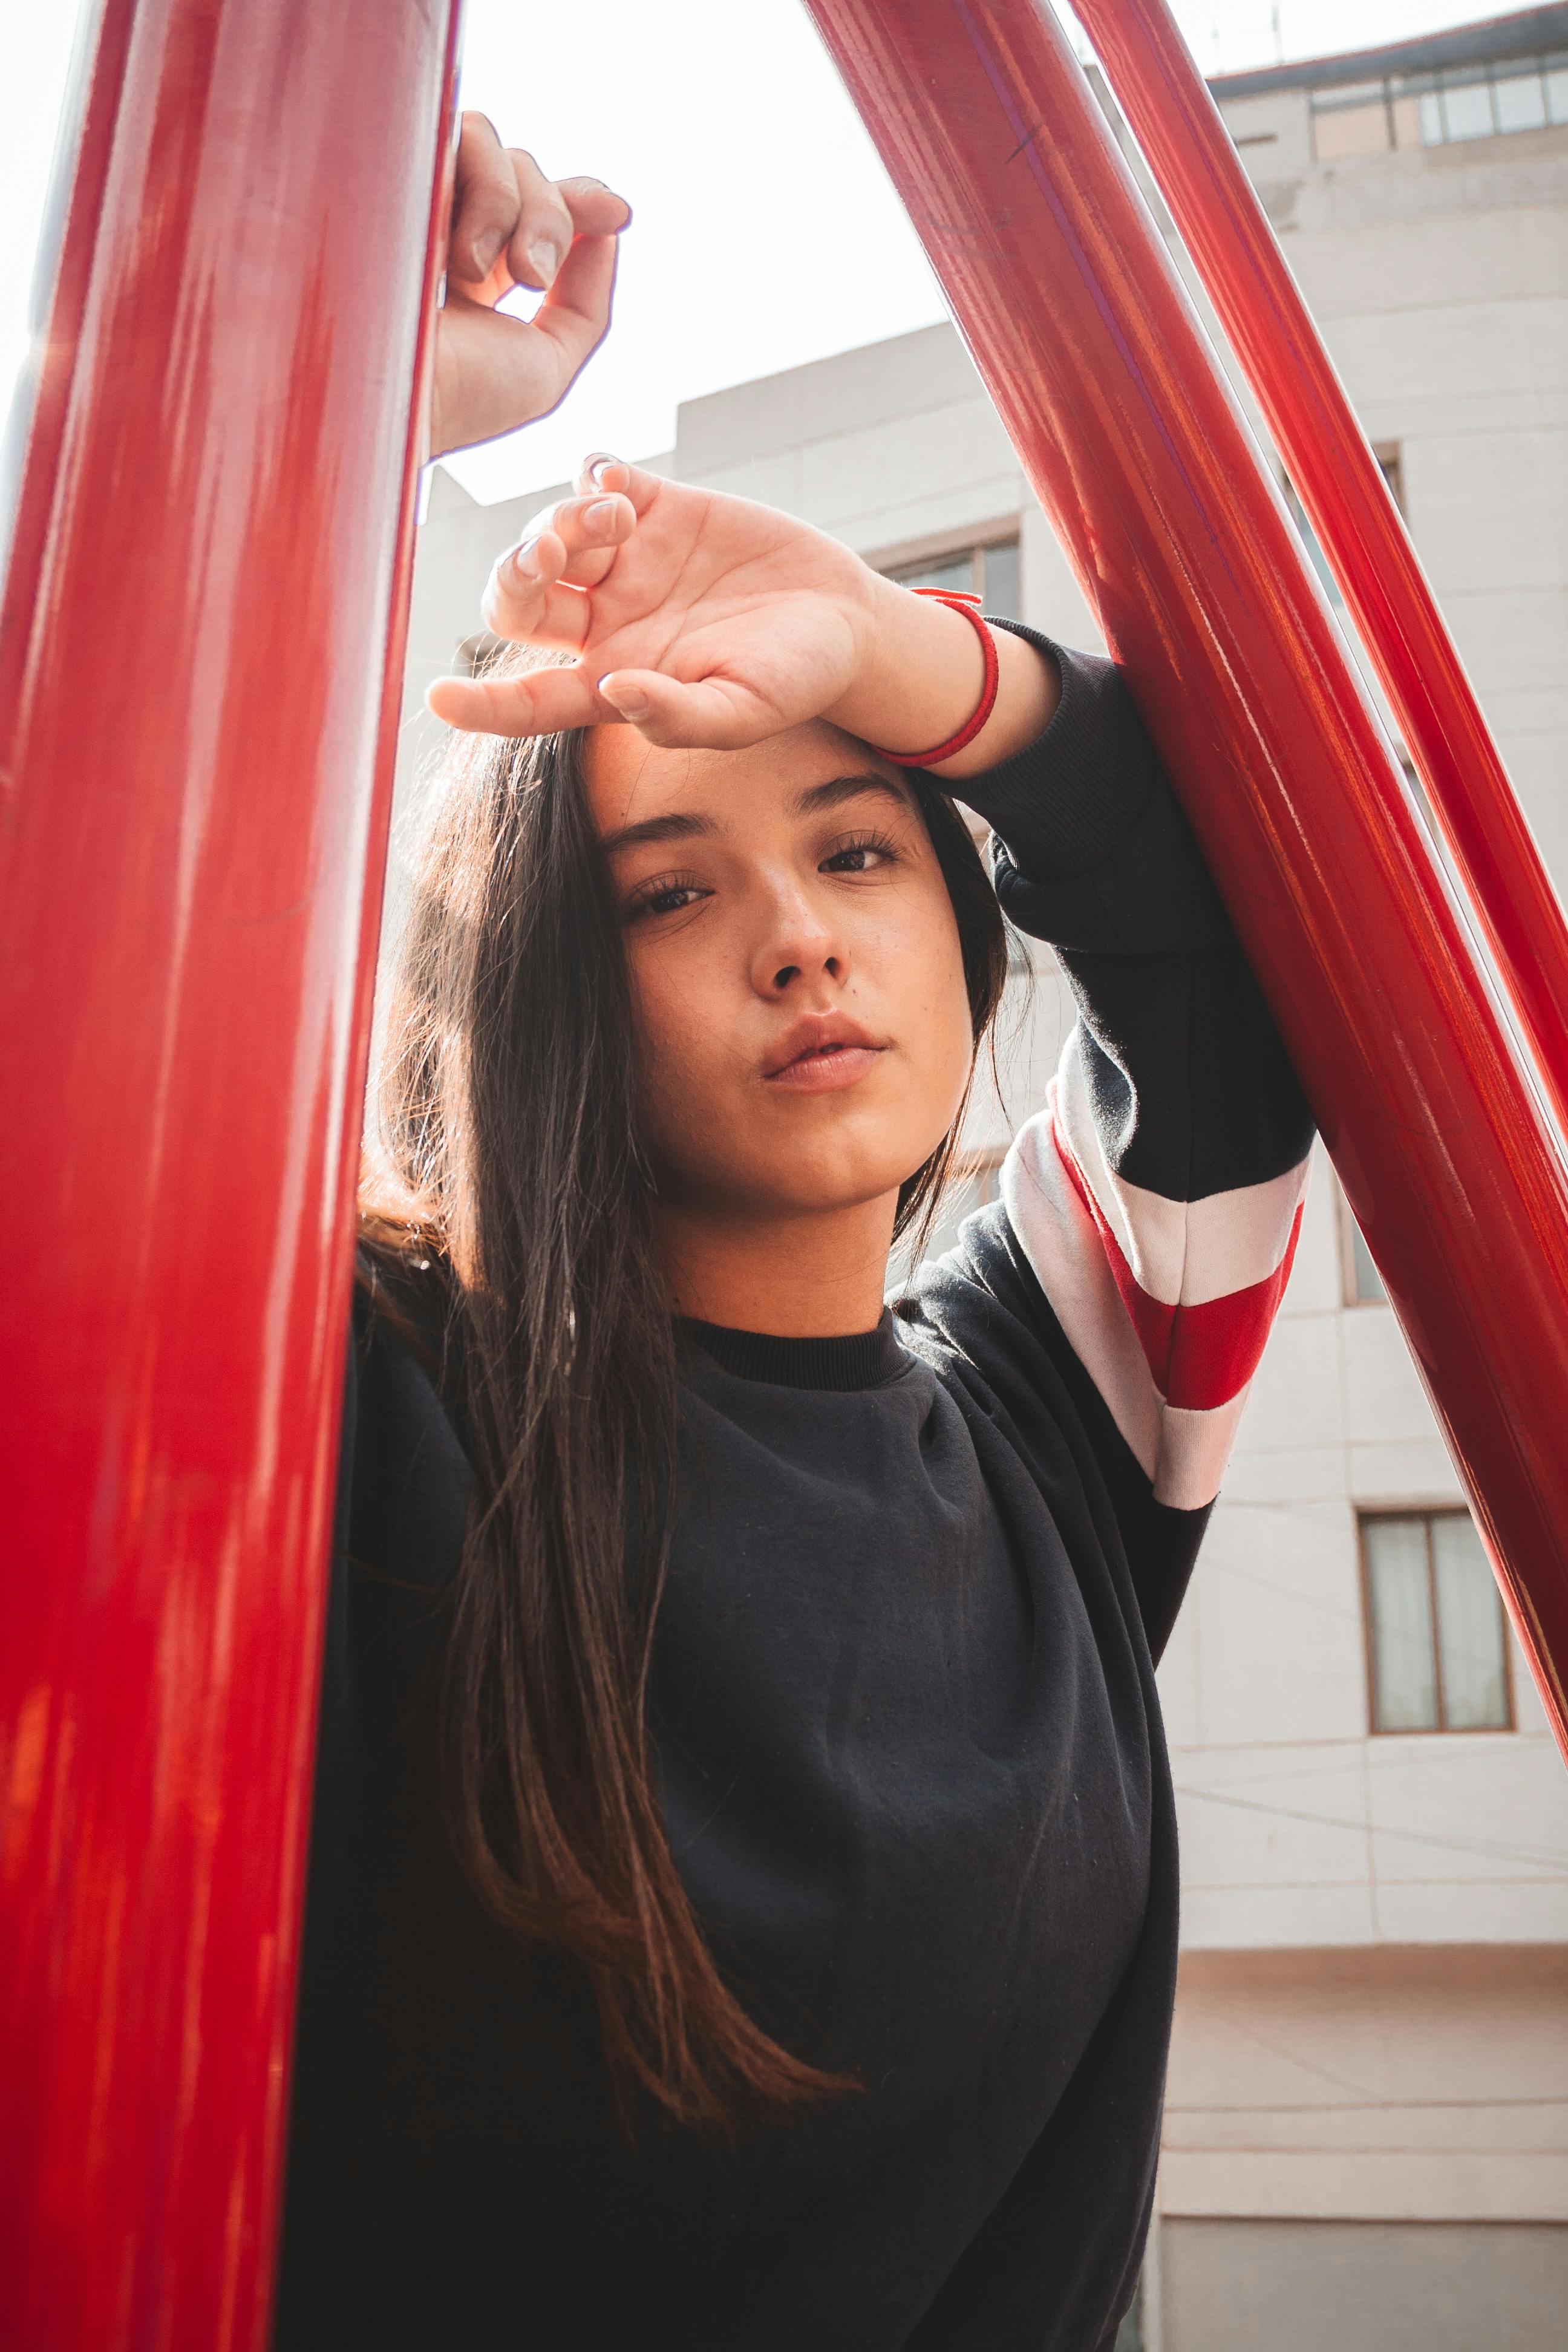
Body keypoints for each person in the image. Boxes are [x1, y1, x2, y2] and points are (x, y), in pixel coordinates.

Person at [275, 119, 1313, 2352]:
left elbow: (1225, 986)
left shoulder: (1062, 1430)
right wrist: (347, 402)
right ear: (545, 983)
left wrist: (885, 647)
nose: (792, 938)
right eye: (669, 891)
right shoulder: (369, 1403)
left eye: (859, 854)